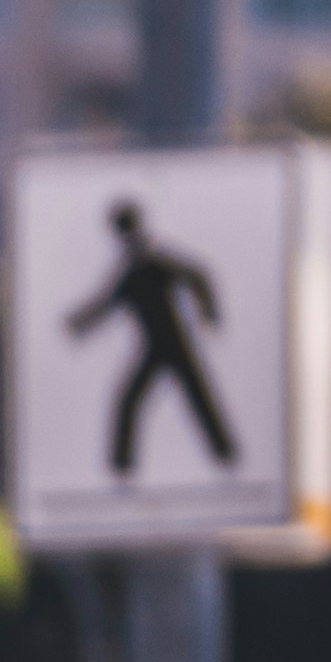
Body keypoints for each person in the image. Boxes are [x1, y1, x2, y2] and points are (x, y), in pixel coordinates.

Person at [70, 200, 233, 476]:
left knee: (194, 399)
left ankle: (224, 456)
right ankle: (122, 468)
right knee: (136, 400)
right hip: (157, 344)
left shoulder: (150, 259)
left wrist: (209, 311)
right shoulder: (133, 261)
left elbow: (197, 274)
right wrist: (81, 324)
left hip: (174, 341)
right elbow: (111, 301)